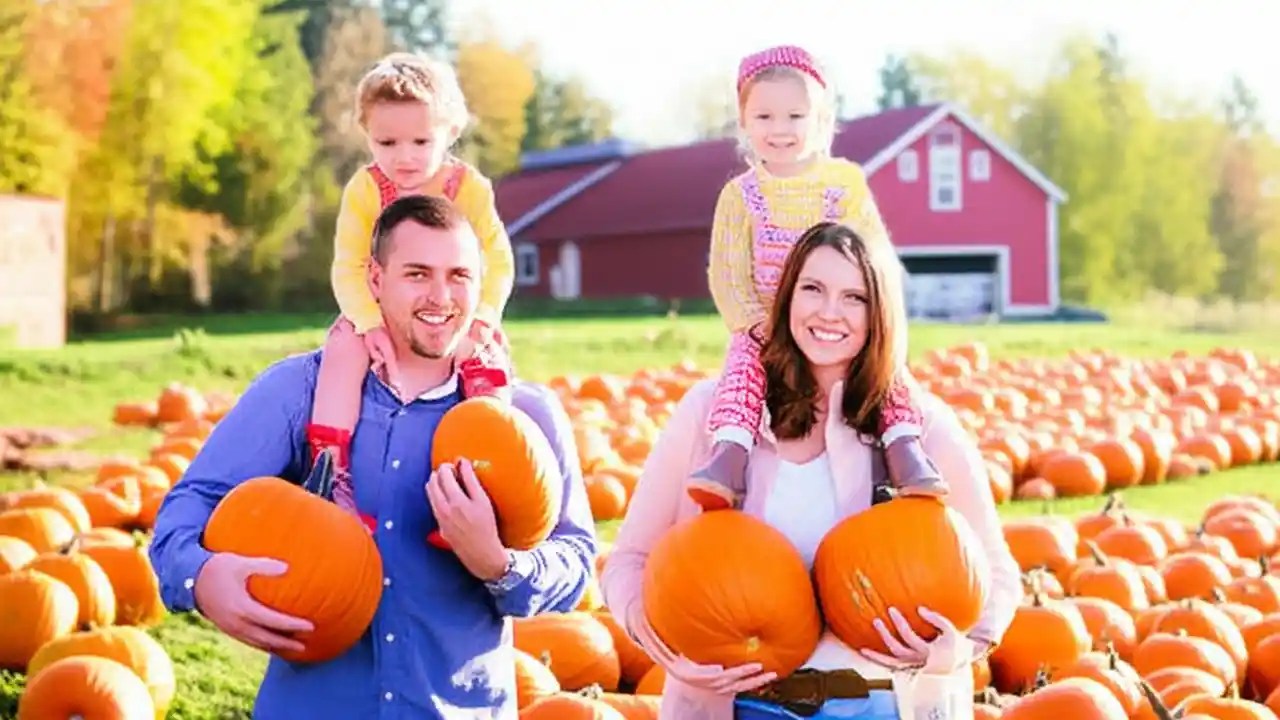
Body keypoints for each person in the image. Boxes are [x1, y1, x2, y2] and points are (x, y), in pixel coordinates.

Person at [149, 195, 597, 720]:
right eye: (417, 274)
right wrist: (200, 577)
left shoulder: (525, 416)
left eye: (459, 276)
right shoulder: (300, 392)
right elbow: (188, 508)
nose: (440, 296)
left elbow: (576, 558)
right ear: (375, 279)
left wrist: (500, 565)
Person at [601, 222, 1021, 720]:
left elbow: (995, 572)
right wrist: (669, 651)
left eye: (854, 298)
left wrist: (953, 652)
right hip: (741, 705)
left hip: (883, 703)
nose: (829, 312)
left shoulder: (925, 428)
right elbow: (628, 561)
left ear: (879, 313)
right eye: (813, 289)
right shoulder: (709, 414)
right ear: (787, 299)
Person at [689, 44, 947, 513]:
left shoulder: (843, 183)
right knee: (742, 368)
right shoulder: (741, 195)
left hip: (835, 315)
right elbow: (727, 272)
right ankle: (729, 453)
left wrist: (868, 310)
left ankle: (904, 445)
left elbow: (872, 255)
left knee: (887, 367)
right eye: (764, 116)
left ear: (821, 120)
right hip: (768, 323)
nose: (780, 130)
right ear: (743, 122)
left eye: (794, 116)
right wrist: (753, 322)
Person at [311, 51, 517, 531]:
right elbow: (347, 265)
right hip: (380, 312)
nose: (404, 157)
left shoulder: (469, 189)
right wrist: (368, 324)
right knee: (341, 351)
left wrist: (483, 319)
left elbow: (498, 260)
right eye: (387, 141)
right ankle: (331, 472)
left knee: (487, 372)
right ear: (366, 135)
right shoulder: (366, 190)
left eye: (421, 141)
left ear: (450, 133)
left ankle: (486, 488)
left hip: (454, 316)